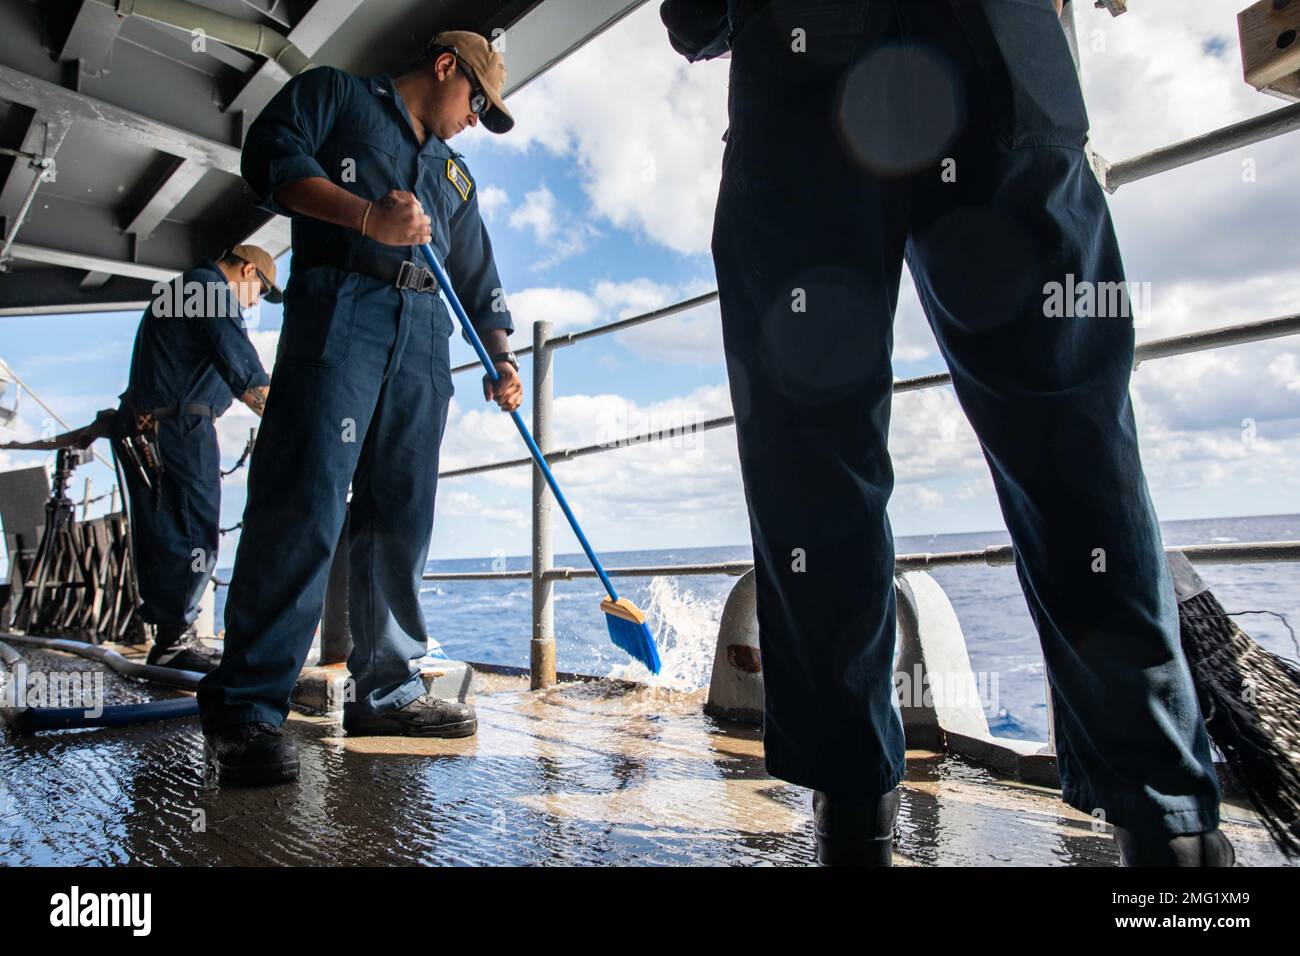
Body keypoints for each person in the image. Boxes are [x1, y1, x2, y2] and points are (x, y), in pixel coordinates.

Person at [663, 0, 1234, 866]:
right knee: (1071, 442)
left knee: (814, 465)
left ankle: (854, 818)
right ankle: (1170, 836)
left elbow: (696, 18)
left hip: (805, 90)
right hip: (1002, 61)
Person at [198, 31, 522, 786]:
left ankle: (387, 690)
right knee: (303, 499)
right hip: (340, 307)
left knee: (402, 511)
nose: (476, 119)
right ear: (445, 66)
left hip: (423, 339)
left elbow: (477, 272)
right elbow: (272, 157)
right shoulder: (335, 95)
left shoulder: (453, 174)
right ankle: (248, 708)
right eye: (477, 100)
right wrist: (366, 218)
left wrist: (502, 357)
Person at [117, 244, 277, 673]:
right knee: (193, 531)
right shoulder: (209, 290)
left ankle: (171, 636)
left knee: (169, 528)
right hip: (180, 429)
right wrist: (293, 424)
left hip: (156, 427)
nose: (254, 302)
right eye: (258, 292)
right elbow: (243, 371)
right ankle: (175, 640)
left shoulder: (182, 288)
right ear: (247, 271)